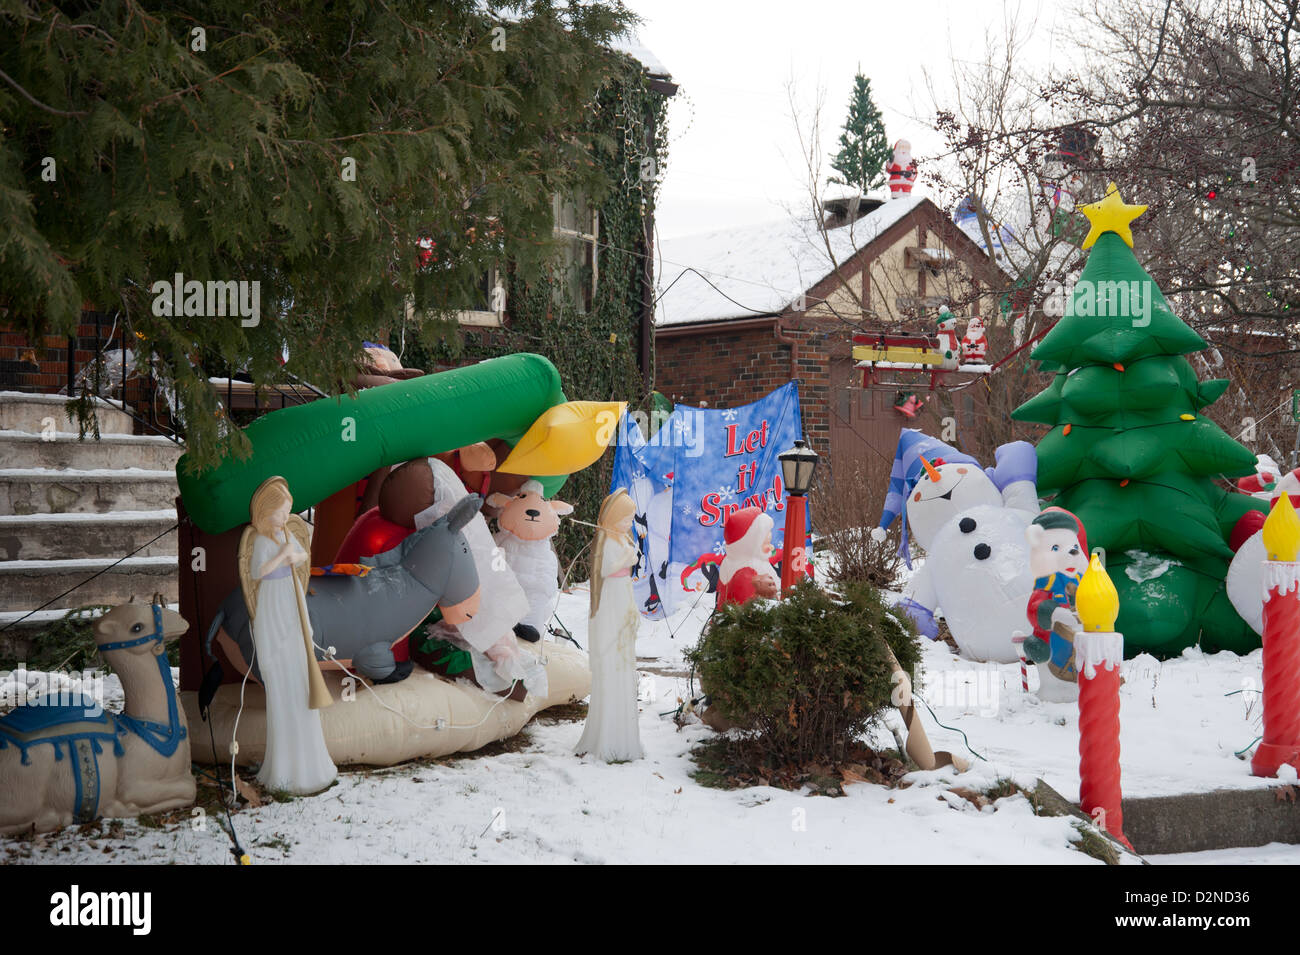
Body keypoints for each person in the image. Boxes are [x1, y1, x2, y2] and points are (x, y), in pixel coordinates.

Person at [243, 477, 337, 795]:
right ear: (266, 511)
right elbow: (258, 572)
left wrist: (290, 554)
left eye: (288, 513)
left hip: (291, 597)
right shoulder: (259, 540)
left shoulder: (284, 534)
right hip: (274, 603)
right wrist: (283, 555)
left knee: (300, 679)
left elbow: (300, 556)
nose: (285, 519)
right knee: (283, 682)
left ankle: (312, 765)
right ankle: (284, 770)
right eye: (281, 513)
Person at [575, 489, 643, 762]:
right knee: (614, 658)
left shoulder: (620, 537)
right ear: (614, 517)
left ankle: (624, 736)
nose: (629, 524)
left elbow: (633, 560)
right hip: (611, 599)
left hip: (623, 594)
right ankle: (607, 735)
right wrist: (628, 555)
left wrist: (631, 551)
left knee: (624, 659)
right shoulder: (606, 540)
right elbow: (606, 569)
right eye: (626, 519)